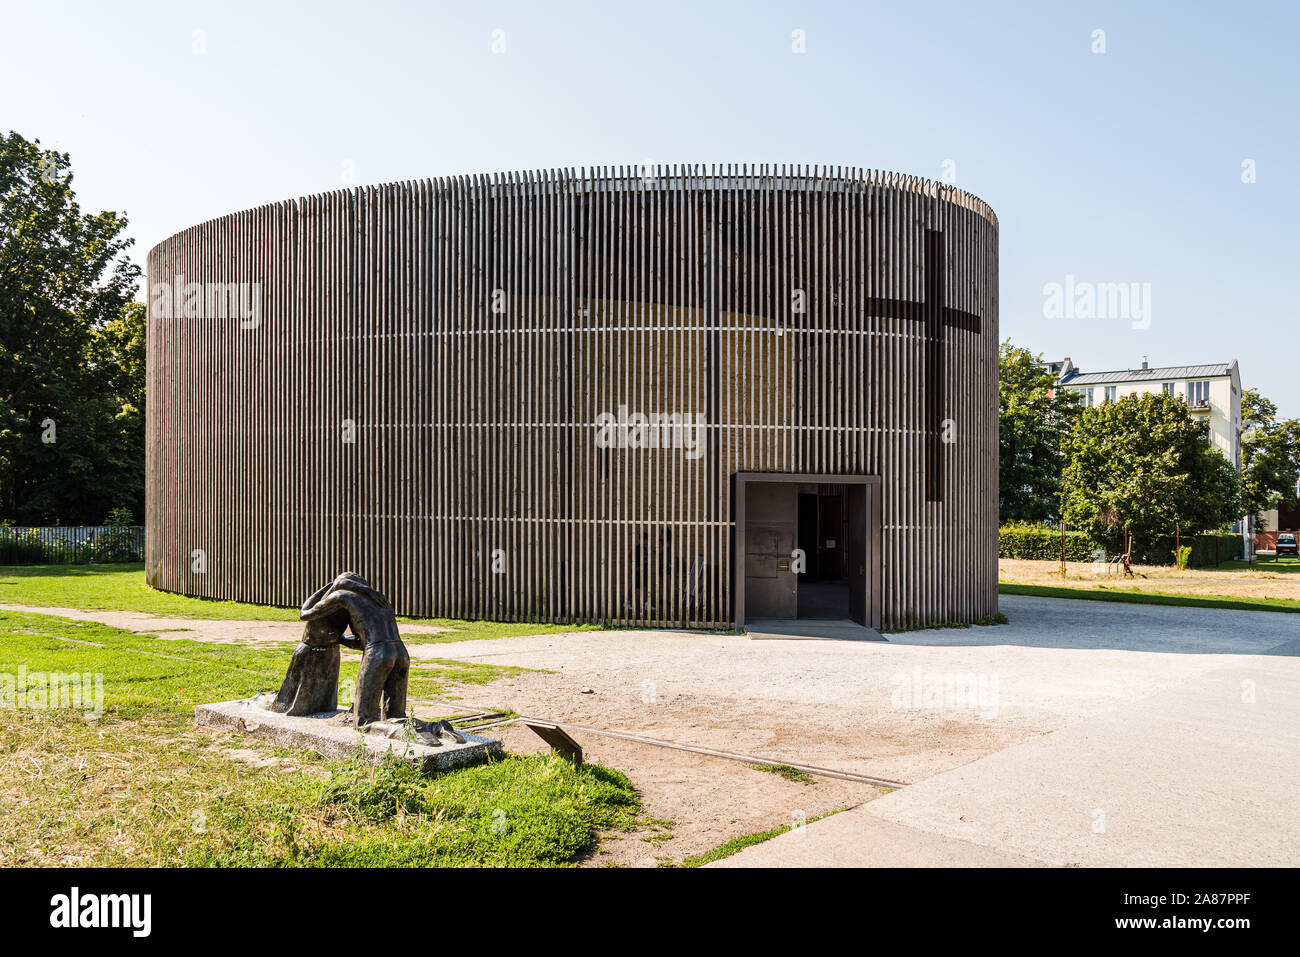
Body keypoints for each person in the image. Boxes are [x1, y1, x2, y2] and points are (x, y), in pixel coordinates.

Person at [299, 572, 409, 726]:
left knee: (364, 721)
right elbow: (362, 642)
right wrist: (343, 640)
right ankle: (430, 729)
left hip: (378, 653)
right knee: (397, 715)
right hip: (402, 653)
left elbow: (305, 613)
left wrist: (327, 588)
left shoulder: (342, 596)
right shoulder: (382, 601)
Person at [271, 580, 349, 716]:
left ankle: (321, 707)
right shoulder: (333, 604)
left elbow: (304, 612)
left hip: (329, 651)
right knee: (301, 694)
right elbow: (304, 614)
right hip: (312, 650)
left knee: (325, 695)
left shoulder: (342, 605)